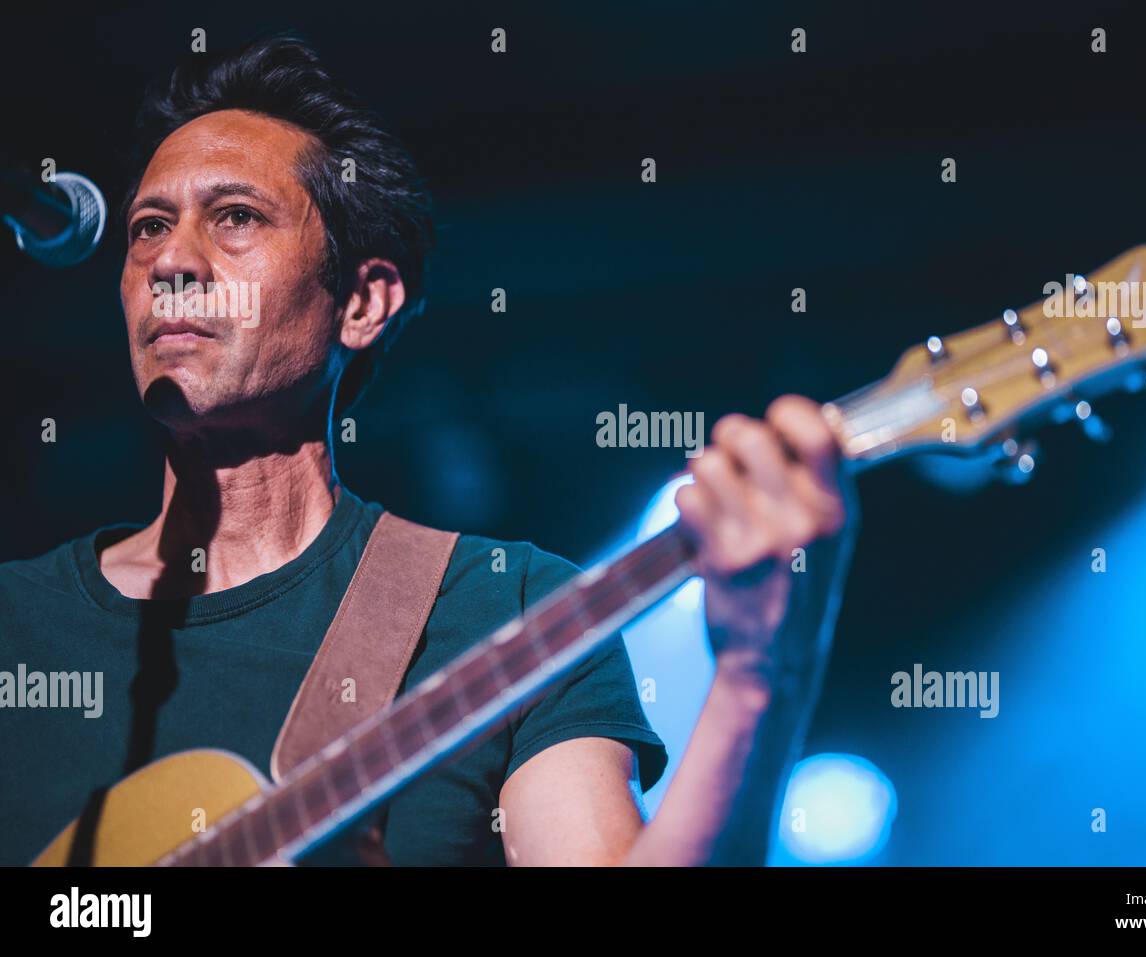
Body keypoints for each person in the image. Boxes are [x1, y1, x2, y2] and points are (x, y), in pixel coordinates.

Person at [0, 35, 856, 866]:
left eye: (235, 218)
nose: (171, 262)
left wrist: (758, 675)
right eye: (149, 228)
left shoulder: (503, 608)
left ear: (364, 303)